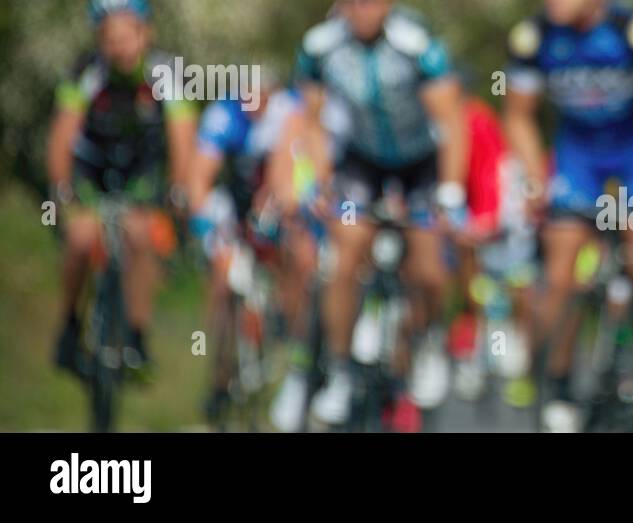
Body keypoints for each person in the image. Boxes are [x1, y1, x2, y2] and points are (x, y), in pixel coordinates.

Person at [503, 0, 633, 432]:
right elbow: (518, 116)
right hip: (578, 158)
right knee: (561, 272)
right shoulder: (534, 37)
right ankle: (560, 384)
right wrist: (532, 179)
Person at [295, 0, 467, 426]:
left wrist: (449, 190)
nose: (362, 10)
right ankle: (338, 367)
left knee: (428, 266)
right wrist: (318, 181)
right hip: (362, 162)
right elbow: (312, 122)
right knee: (344, 253)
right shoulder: (320, 46)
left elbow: (451, 122)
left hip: (420, 164)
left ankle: (427, 342)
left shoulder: (416, 42)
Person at [49, 0, 196, 380]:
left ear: (146, 34)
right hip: (92, 166)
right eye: (111, 39)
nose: (121, 47)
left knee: (141, 233)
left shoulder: (166, 72)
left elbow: (182, 138)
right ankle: (69, 325)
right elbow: (62, 136)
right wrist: (61, 188)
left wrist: (180, 189)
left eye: (129, 36)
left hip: (140, 170)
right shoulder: (86, 70)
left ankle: (136, 335)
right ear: (100, 40)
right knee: (81, 236)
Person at [187, 77, 316, 426]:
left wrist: (279, 209)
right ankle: (219, 376)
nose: (252, 99)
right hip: (232, 208)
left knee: (299, 255)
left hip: (277, 203)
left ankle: (293, 343)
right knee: (223, 279)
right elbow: (200, 175)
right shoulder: (222, 114)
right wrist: (199, 217)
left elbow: (288, 175)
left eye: (260, 90)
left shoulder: (290, 111)